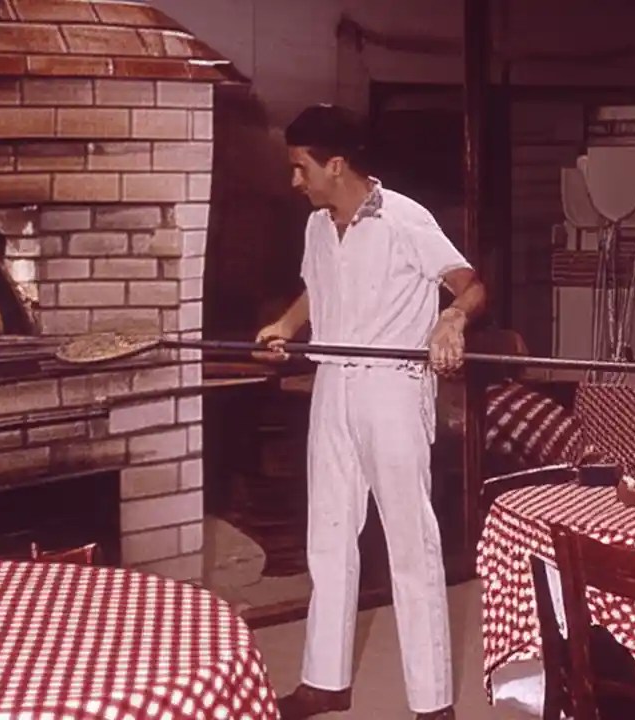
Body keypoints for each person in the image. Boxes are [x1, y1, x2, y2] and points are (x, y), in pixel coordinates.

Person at [256, 104, 486, 720]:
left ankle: (433, 701)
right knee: (328, 539)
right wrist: (287, 323)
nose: (295, 181)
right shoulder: (318, 226)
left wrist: (450, 319)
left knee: (411, 545)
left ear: (336, 164)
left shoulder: (407, 219)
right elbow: (316, 286)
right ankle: (324, 681)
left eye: (302, 168)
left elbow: (470, 283)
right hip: (332, 386)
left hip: (392, 388)